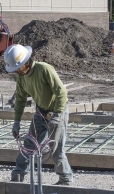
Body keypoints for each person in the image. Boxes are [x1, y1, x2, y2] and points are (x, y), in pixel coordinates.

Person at [4, 44, 74, 185]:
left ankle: (65, 179)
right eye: (15, 70)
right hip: (41, 112)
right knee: (29, 144)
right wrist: (16, 121)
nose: (17, 71)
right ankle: (18, 175)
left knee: (55, 148)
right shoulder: (22, 78)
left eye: (19, 68)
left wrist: (57, 115)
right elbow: (21, 100)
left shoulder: (44, 69)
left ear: (27, 62)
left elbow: (61, 92)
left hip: (57, 111)